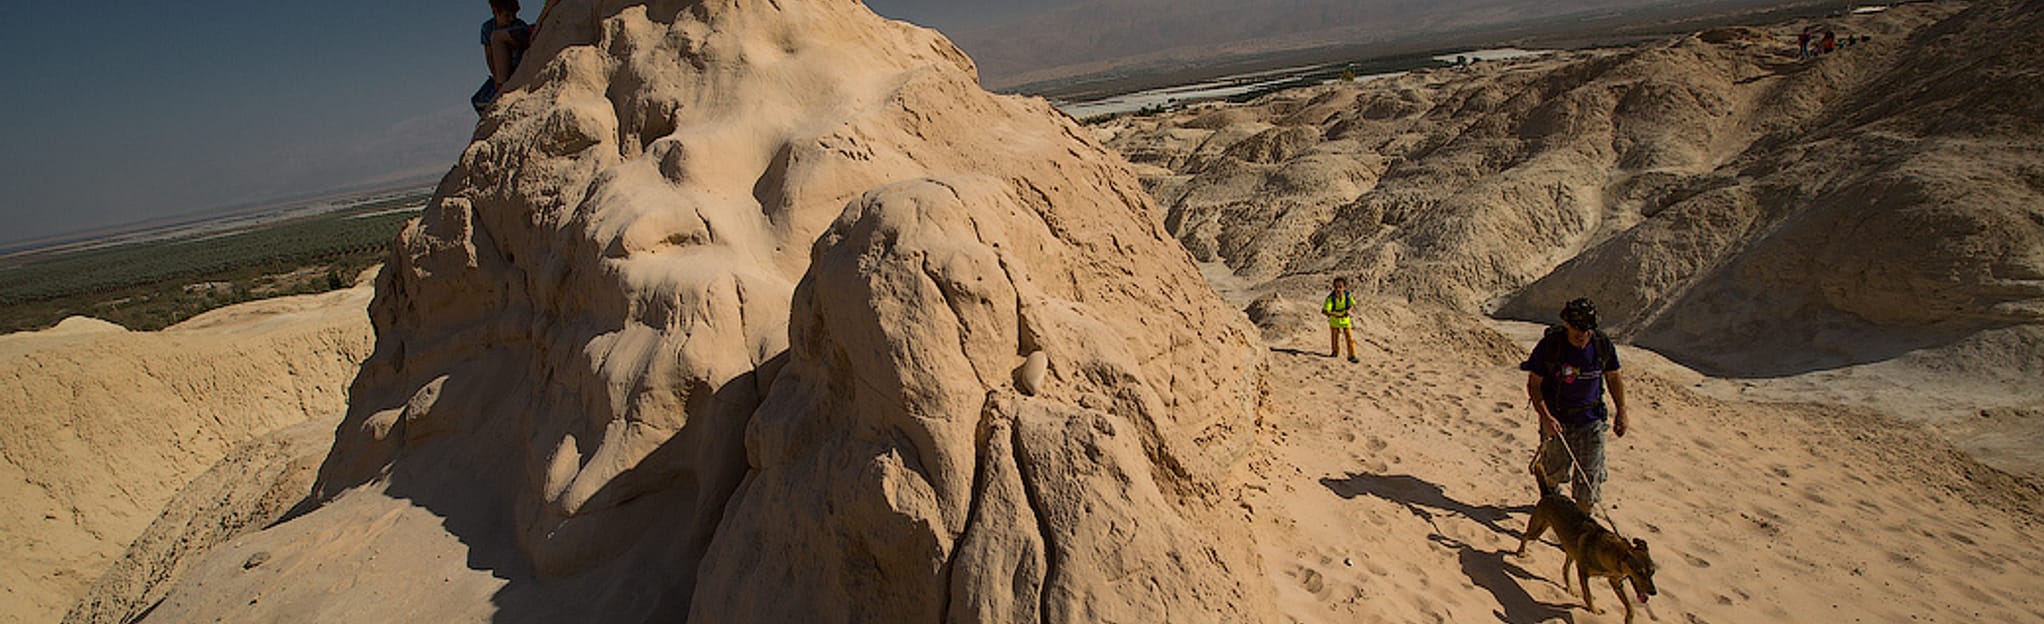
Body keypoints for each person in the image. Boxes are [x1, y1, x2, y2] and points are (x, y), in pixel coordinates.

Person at [1523, 298, 1629, 511]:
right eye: (1577, 330)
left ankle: (1580, 527)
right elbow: (1535, 385)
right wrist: (1545, 417)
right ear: (1567, 325)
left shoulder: (1601, 344)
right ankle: (1551, 508)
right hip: (1558, 420)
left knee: (1589, 482)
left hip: (1591, 421)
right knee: (1553, 474)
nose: (1582, 335)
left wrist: (1622, 411)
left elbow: (1613, 377)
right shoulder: (1551, 347)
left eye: (1587, 330)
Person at [473, 0, 534, 114]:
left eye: (514, 15)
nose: (511, 19)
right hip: (501, 71)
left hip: (516, 68)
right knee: (478, 100)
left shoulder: (518, 25)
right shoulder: (488, 28)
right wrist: (496, 77)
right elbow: (489, 56)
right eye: (507, 15)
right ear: (495, 12)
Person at [1323, 277, 1358, 363]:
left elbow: (1352, 304)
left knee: (1349, 338)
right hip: (1335, 321)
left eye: (1340, 287)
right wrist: (1336, 315)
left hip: (1345, 321)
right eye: (1336, 287)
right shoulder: (1331, 298)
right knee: (1335, 338)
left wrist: (1348, 311)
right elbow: (1325, 311)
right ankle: (1335, 352)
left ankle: (1352, 355)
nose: (1338, 289)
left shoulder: (1347, 296)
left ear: (1344, 287)